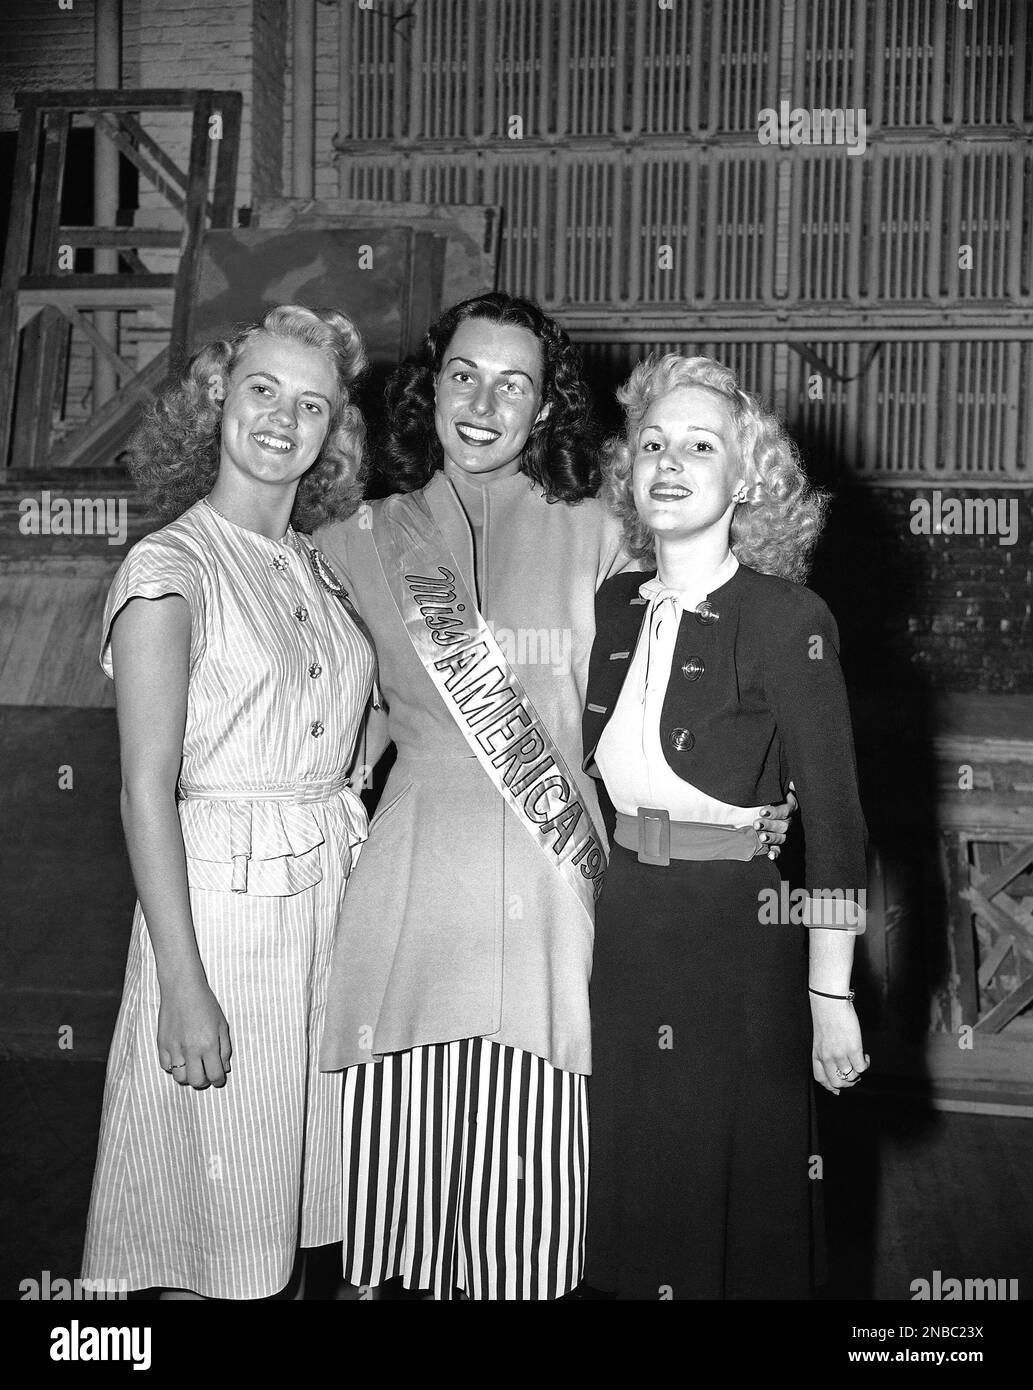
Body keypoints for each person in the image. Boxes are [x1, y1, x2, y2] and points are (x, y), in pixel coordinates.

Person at [314, 295, 794, 1299]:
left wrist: (750, 795)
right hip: (412, 903)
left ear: (545, 408)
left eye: (514, 384)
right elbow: (323, 714)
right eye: (463, 376)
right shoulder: (356, 538)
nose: (484, 404)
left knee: (527, 1239)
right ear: (430, 386)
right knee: (399, 1229)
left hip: (559, 900)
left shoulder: (601, 534)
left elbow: (709, 663)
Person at [80, 305, 376, 1300]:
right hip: (223, 924)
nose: (283, 420)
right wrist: (182, 984)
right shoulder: (170, 568)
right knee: (215, 1231)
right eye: (261, 390)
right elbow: (141, 789)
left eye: (312, 405)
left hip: (324, 914)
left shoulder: (319, 563)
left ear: (333, 430)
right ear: (218, 398)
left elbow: (340, 735)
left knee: (283, 1225)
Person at [581, 353, 869, 1300]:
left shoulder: (791, 618)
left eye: (699, 445)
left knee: (734, 1189)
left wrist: (830, 994)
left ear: (746, 476)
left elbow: (834, 821)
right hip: (626, 927)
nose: (669, 462)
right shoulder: (615, 602)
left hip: (737, 937)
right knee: (634, 1179)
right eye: (652, 443)